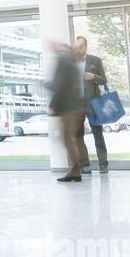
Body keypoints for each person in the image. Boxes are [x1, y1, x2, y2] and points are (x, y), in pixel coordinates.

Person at [47, 41, 87, 183]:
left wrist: (52, 103)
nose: (55, 48)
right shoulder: (71, 63)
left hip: (68, 108)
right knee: (68, 140)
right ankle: (74, 171)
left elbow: (60, 85)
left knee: (68, 140)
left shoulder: (64, 60)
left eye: (59, 46)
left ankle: (75, 171)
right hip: (73, 107)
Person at [75, 36, 109, 174]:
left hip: (93, 102)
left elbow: (104, 81)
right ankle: (84, 165)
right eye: (76, 47)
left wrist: (93, 77)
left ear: (86, 46)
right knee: (78, 136)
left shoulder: (95, 60)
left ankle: (103, 164)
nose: (78, 49)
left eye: (81, 46)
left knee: (98, 134)